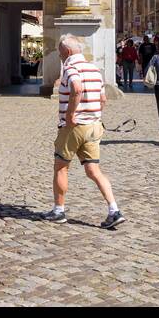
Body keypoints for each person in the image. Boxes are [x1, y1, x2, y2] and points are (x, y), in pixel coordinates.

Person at [43, 34, 125, 229]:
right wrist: (95, 115)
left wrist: (71, 115)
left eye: (60, 52)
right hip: (93, 127)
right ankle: (114, 209)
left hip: (73, 128)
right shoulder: (95, 69)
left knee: (61, 167)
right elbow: (103, 99)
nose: (60, 56)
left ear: (68, 51)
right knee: (93, 170)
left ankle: (58, 210)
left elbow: (77, 89)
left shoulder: (71, 69)